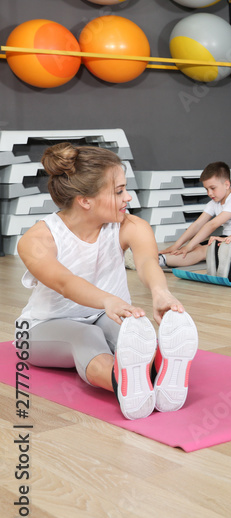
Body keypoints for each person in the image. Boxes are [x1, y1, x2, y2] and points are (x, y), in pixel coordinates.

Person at [16, 143, 198, 420]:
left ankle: (154, 374)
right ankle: (126, 383)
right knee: (87, 336)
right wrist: (108, 299)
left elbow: (148, 262)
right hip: (41, 328)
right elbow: (65, 282)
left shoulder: (131, 226)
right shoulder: (38, 240)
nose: (129, 197)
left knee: (132, 327)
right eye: (118, 191)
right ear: (85, 200)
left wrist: (161, 293)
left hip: (105, 313)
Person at [157, 161, 231, 271]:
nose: (209, 193)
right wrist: (176, 245)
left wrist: (188, 246)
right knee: (194, 248)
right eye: (206, 189)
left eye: (213, 188)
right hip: (226, 239)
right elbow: (197, 224)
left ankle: (159, 261)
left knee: (202, 251)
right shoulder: (214, 203)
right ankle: (163, 258)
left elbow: (212, 225)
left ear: (227, 184)